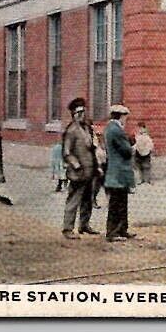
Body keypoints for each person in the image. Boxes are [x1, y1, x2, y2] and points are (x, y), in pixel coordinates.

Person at [60, 97, 99, 239]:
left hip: (90, 170)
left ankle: (84, 225)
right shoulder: (71, 130)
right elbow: (67, 152)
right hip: (77, 172)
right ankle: (67, 228)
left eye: (83, 112)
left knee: (88, 200)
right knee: (74, 200)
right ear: (74, 114)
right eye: (79, 113)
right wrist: (76, 165)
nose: (82, 115)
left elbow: (92, 146)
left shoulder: (87, 128)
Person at [104, 104, 137, 242]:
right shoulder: (116, 131)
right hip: (119, 172)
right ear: (121, 116)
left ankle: (122, 229)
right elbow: (126, 151)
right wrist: (133, 147)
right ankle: (114, 232)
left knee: (120, 202)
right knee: (117, 203)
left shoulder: (109, 128)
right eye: (125, 117)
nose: (126, 120)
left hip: (115, 171)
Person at [91, 126, 107, 207]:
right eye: (98, 135)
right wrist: (99, 168)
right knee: (96, 185)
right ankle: (93, 200)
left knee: (106, 185)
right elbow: (96, 158)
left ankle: (109, 201)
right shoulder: (95, 147)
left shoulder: (104, 147)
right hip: (98, 167)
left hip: (105, 166)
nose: (99, 136)